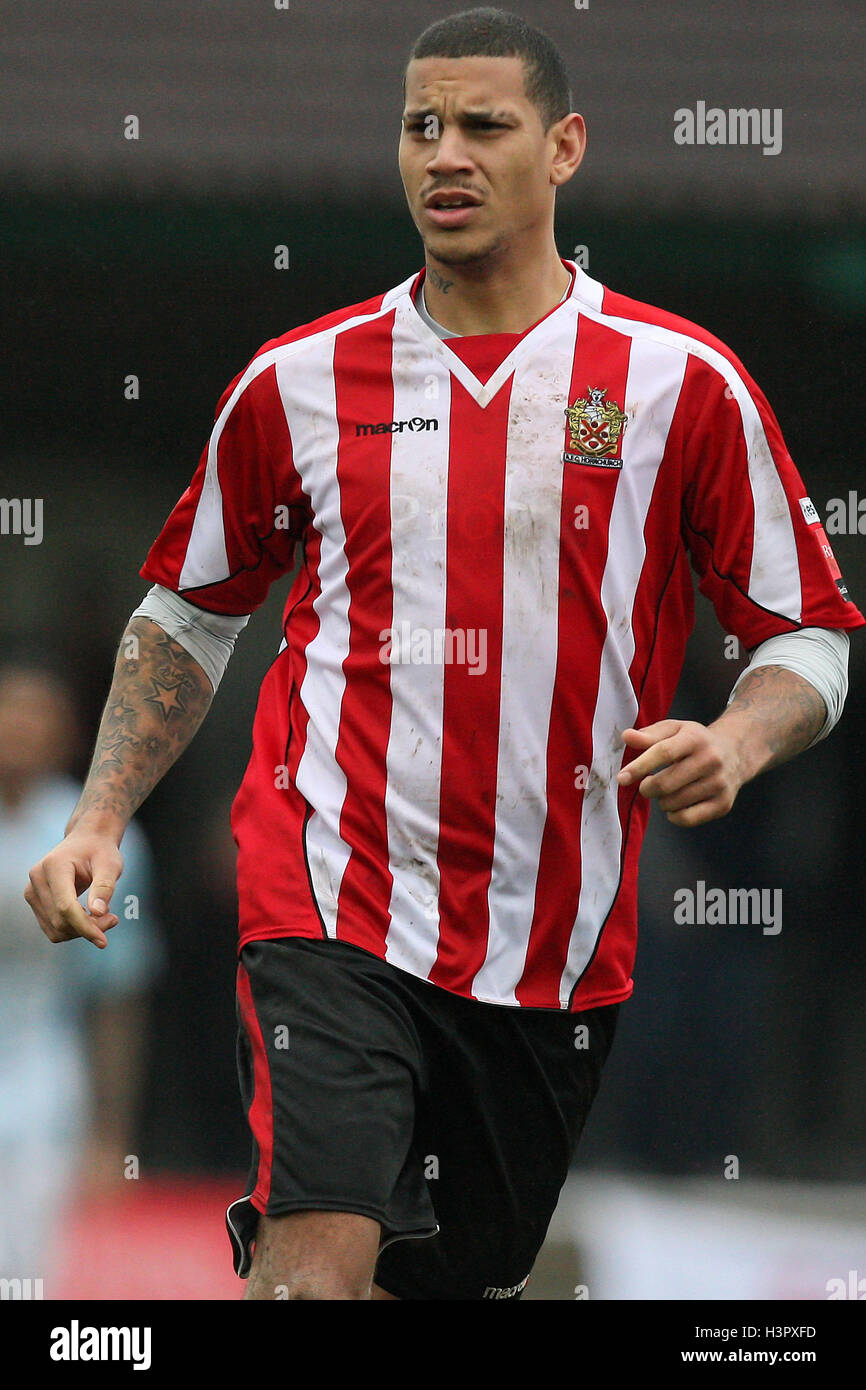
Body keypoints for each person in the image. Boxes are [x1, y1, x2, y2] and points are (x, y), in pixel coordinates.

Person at [24, 7, 863, 1301]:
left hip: (553, 945)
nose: (445, 152)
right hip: (329, 889)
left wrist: (737, 739)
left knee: (438, 1284)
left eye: (484, 123)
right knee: (313, 1268)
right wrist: (98, 812)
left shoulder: (676, 382)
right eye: (421, 126)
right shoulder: (296, 380)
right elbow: (188, 610)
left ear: (563, 146)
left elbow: (802, 627)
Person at [0, 658, 162, 1291]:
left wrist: (110, 1129)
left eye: (37, 718)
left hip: (42, 1083)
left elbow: (118, 995)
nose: (20, 731)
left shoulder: (98, 844)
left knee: (19, 1271)